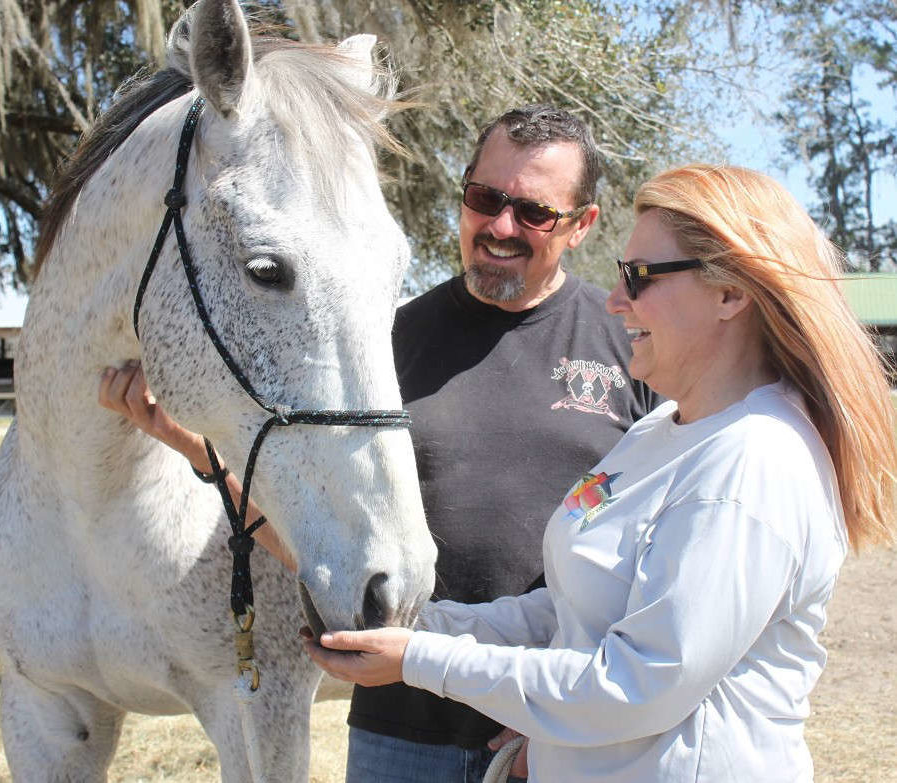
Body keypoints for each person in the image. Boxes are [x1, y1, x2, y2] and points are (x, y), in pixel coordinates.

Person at [100, 104, 661, 782]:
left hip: (559, 732)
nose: (500, 227)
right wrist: (190, 445)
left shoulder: (632, 352)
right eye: (484, 198)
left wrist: (565, 716)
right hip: (402, 735)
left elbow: (655, 560)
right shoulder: (380, 346)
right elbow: (314, 533)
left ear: (582, 225)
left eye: (534, 212)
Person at [303, 163, 897, 783]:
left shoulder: (753, 461)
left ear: (730, 293)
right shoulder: (659, 433)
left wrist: (422, 659)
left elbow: (633, 685)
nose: (615, 302)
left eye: (639, 278)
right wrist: (412, 624)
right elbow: (566, 609)